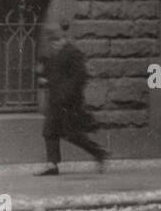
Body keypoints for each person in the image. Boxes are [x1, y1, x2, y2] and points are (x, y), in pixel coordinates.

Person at [35, 21, 108, 175]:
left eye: (57, 41)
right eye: (53, 42)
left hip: (69, 103)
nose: (55, 44)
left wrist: (65, 94)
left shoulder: (73, 53)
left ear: (64, 39)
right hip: (56, 101)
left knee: (72, 134)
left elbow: (80, 77)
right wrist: (44, 78)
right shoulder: (53, 55)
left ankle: (99, 152)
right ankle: (52, 165)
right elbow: (50, 73)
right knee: (49, 131)